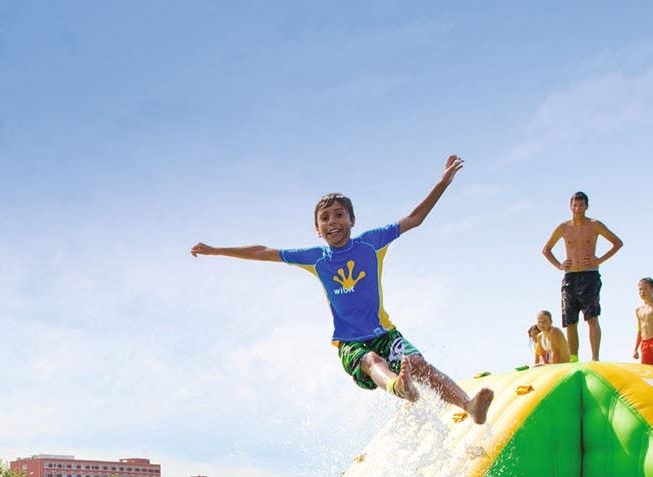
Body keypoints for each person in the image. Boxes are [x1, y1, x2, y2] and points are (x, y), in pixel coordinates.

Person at [191, 154, 494, 424]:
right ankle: (398, 387)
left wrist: (443, 182)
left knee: (418, 364)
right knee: (372, 361)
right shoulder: (316, 258)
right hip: (350, 343)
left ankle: (469, 406)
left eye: (338, 214)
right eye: (325, 218)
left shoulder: (371, 244)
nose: (332, 221)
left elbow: (415, 218)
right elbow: (263, 251)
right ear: (317, 229)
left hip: (385, 333)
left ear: (352, 219)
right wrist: (216, 250)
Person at [542, 191, 623, 361]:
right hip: (570, 276)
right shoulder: (564, 228)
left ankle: (595, 358)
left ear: (587, 206)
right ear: (570, 206)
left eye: (581, 205)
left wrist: (599, 259)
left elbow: (617, 243)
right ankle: (574, 359)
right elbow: (546, 249)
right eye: (575, 205)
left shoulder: (594, 225)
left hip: (589, 276)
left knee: (591, 318)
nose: (578, 209)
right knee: (571, 321)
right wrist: (558, 265)